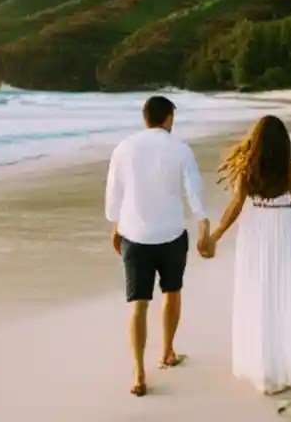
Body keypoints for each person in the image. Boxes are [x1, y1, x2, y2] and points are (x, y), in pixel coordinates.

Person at [105, 95, 212, 397]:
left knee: (138, 303)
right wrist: (203, 222)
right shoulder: (180, 149)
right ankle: (167, 352)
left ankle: (139, 373)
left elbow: (115, 194)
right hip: (171, 234)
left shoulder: (124, 148)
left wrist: (116, 225)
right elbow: (194, 190)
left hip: (134, 235)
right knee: (172, 292)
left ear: (145, 117)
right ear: (168, 118)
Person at [206, 115, 291, 395]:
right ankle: (290, 363)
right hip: (283, 229)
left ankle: (262, 363)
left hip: (255, 231)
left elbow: (236, 205)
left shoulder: (248, 168)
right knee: (286, 293)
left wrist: (217, 234)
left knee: (258, 293)